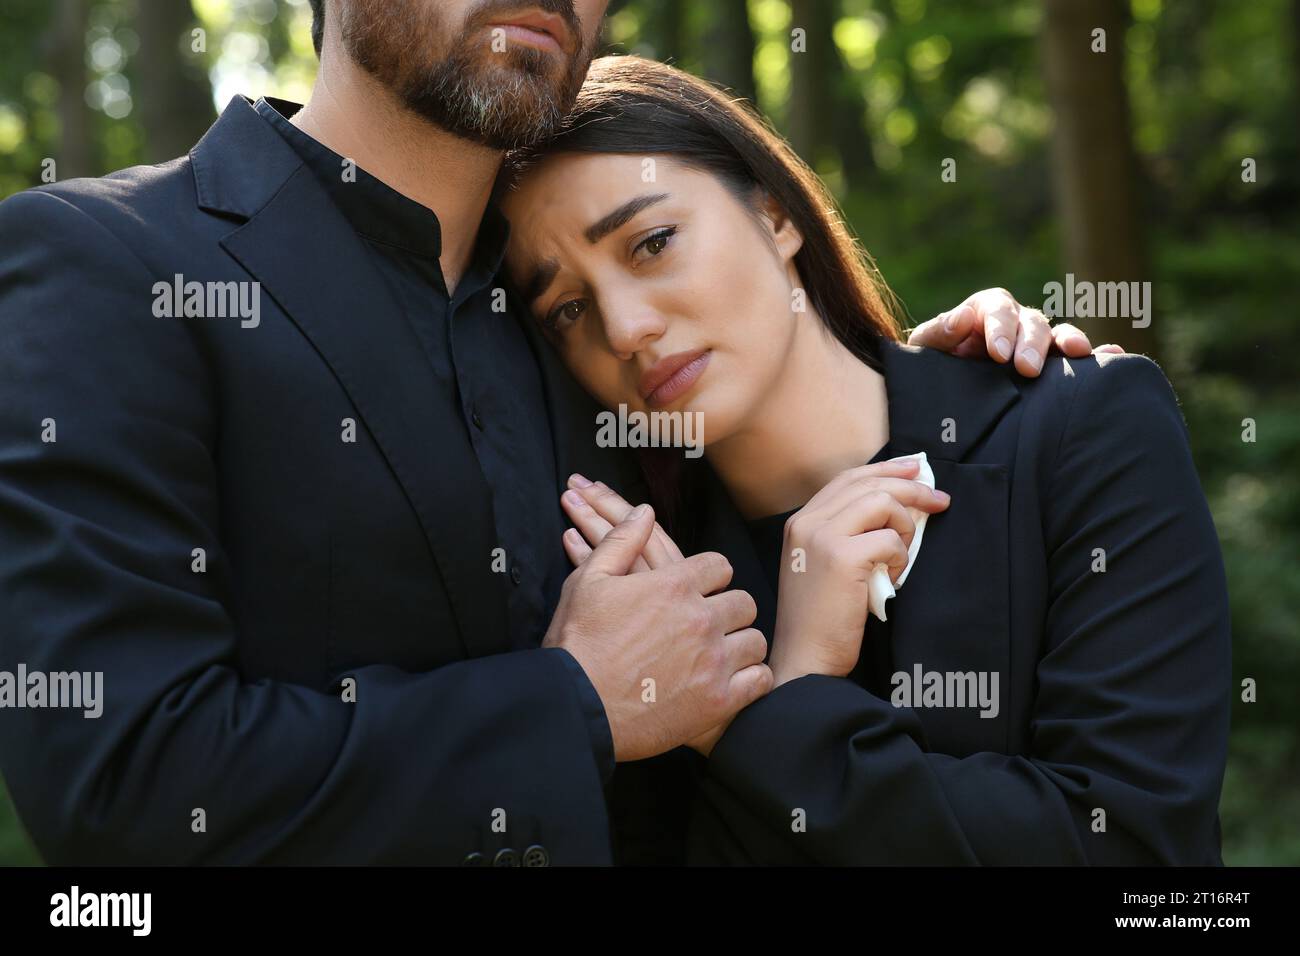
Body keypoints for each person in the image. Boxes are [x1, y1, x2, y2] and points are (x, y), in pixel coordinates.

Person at [0, 1, 1107, 865]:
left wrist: (954, 383)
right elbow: (121, 783)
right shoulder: (108, 265)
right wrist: (575, 701)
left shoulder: (601, 340)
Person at [499, 54, 1231, 864]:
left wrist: (762, 723)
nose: (625, 327)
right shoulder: (648, 603)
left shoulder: (1080, 427)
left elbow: (1140, 860)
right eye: (568, 307)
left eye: (652, 242)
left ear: (776, 214)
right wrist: (793, 673)